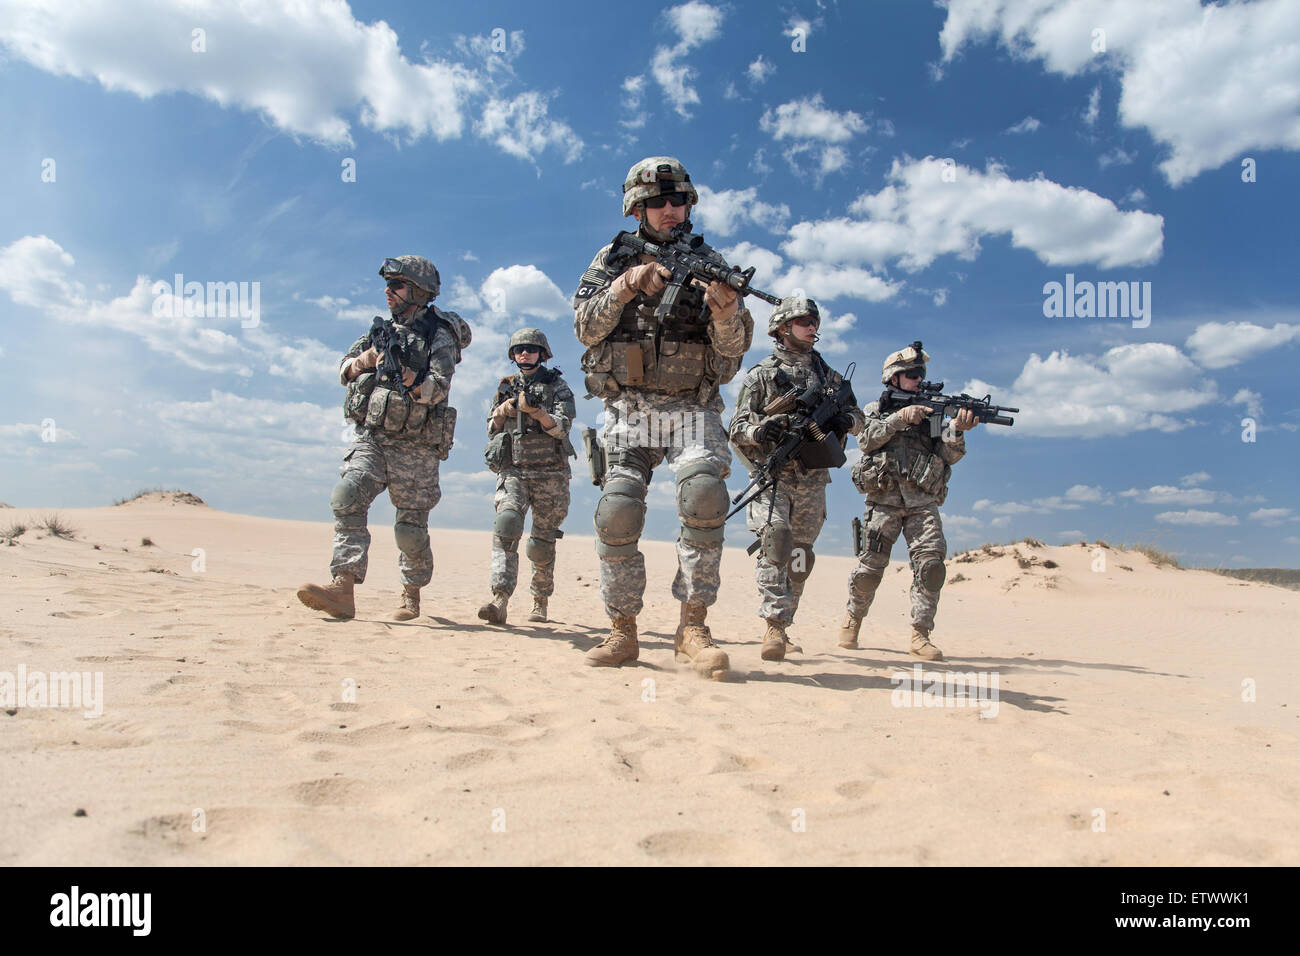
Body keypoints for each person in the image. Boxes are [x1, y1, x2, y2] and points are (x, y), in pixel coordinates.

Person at [573, 156, 754, 678]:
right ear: (637, 208)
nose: (670, 210)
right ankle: (623, 630)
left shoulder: (713, 263)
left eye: (678, 201)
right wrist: (627, 283)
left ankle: (692, 627)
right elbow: (585, 327)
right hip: (628, 410)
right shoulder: (611, 259)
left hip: (692, 410)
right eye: (658, 202)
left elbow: (730, 360)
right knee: (618, 511)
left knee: (704, 496)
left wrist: (725, 316)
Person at [297, 255, 471, 621]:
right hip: (373, 436)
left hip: (416, 445)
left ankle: (411, 594)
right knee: (348, 494)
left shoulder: (438, 335)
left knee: (410, 529)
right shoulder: (379, 331)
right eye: (388, 285)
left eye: (397, 285)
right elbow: (344, 369)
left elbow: (438, 388)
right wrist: (367, 360)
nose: (388, 292)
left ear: (420, 291)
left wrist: (410, 378)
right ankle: (342, 587)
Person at [729, 296, 864, 661]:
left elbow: (859, 417)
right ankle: (773, 625)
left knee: (800, 558)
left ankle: (785, 627)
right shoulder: (761, 375)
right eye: (803, 320)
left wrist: (844, 421)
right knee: (777, 541)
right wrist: (763, 430)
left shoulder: (829, 376)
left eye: (814, 320)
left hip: (813, 480)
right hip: (773, 476)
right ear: (782, 327)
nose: (811, 326)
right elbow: (737, 426)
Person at [840, 342, 979, 661]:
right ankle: (853, 619)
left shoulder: (932, 415)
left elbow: (948, 456)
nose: (919, 379)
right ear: (894, 378)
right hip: (883, 500)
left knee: (931, 567)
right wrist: (900, 418)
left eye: (921, 374)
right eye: (912, 375)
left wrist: (957, 430)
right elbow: (865, 440)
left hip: (923, 502)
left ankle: (920, 634)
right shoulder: (876, 409)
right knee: (869, 570)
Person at [478, 329, 576, 625]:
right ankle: (500, 599)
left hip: (550, 474)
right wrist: (503, 410)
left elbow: (562, 428)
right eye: (519, 349)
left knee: (541, 543)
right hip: (515, 470)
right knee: (506, 527)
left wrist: (537, 413)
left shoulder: (558, 386)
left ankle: (539, 600)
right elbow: (490, 429)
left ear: (542, 353)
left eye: (531, 349)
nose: (525, 354)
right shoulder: (505, 387)